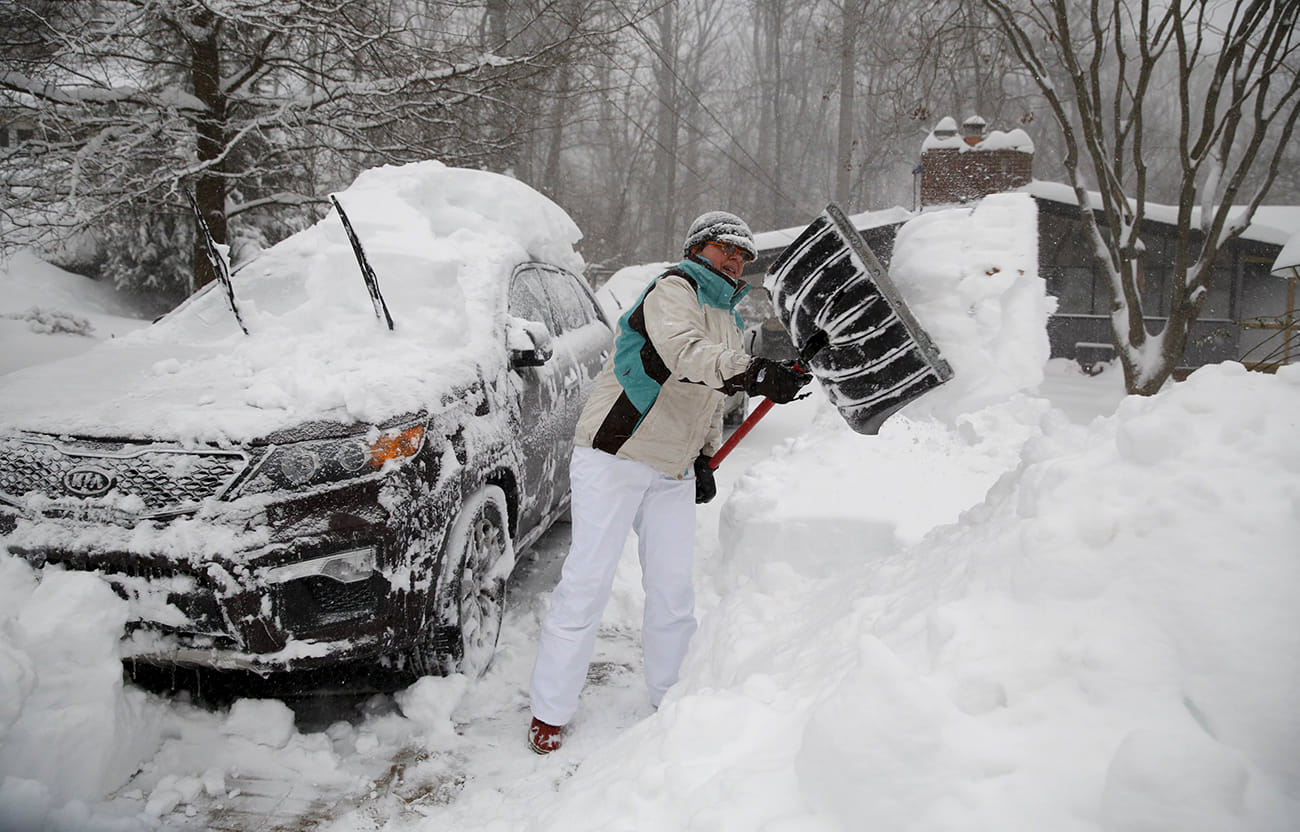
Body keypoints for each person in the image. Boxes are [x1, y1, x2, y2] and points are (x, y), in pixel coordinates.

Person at [526, 211, 811, 754]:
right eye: (726, 247)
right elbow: (686, 354)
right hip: (617, 453)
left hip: (672, 468)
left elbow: (707, 397)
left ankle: (669, 694)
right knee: (587, 583)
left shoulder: (727, 316)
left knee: (673, 588)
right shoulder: (672, 289)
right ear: (698, 248)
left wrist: (704, 456)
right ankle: (550, 708)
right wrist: (754, 371)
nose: (736, 259)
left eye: (744, 254)